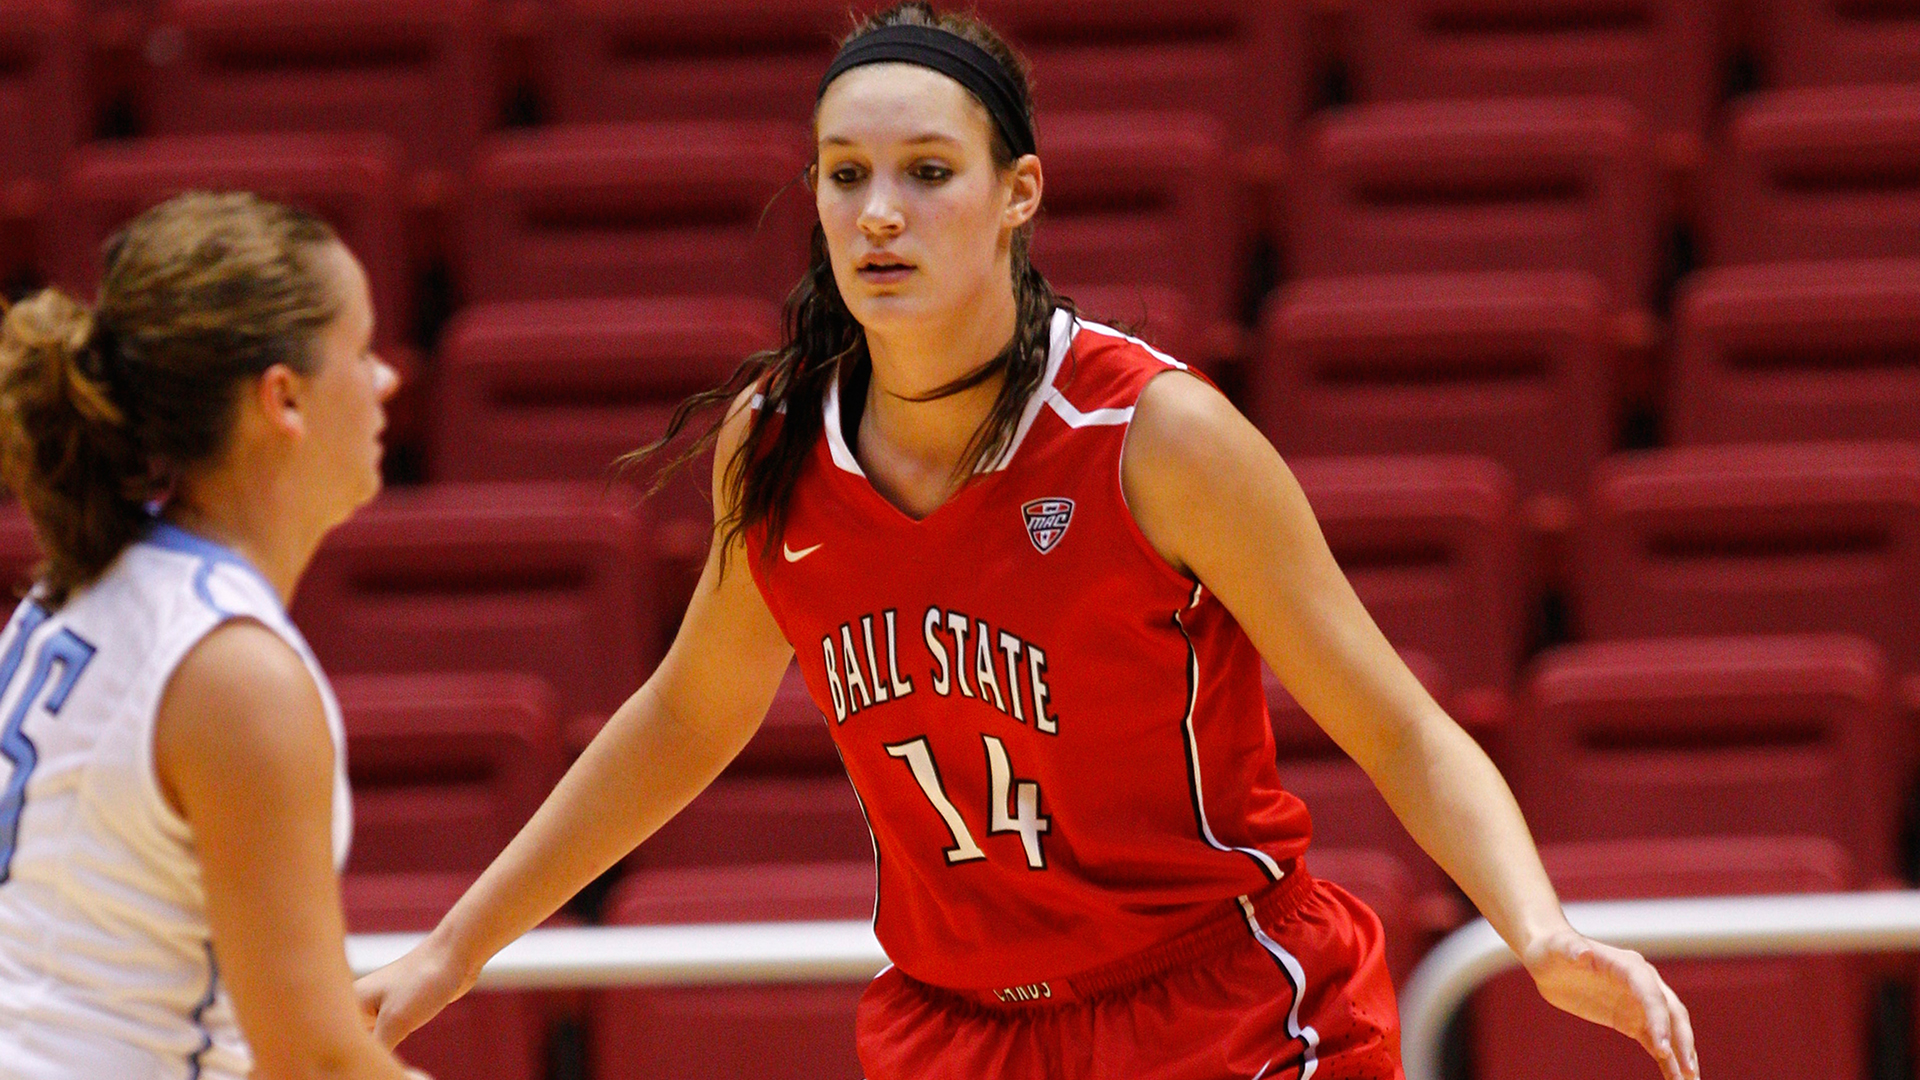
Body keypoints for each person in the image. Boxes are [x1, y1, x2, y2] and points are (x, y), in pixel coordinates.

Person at [355, 5, 1701, 1078]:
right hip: (957, 1029)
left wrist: (1539, 929)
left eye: (928, 173)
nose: (880, 212)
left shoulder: (1155, 436)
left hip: (1218, 1010)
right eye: (845, 176)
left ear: (1019, 193)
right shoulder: (775, 447)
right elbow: (684, 717)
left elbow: (1397, 724)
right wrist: (454, 951)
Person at [0, 191, 421, 1079]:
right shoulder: (234, 672)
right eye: (360, 352)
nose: (386, 380)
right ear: (285, 398)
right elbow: (315, 1063)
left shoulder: (77, 587)